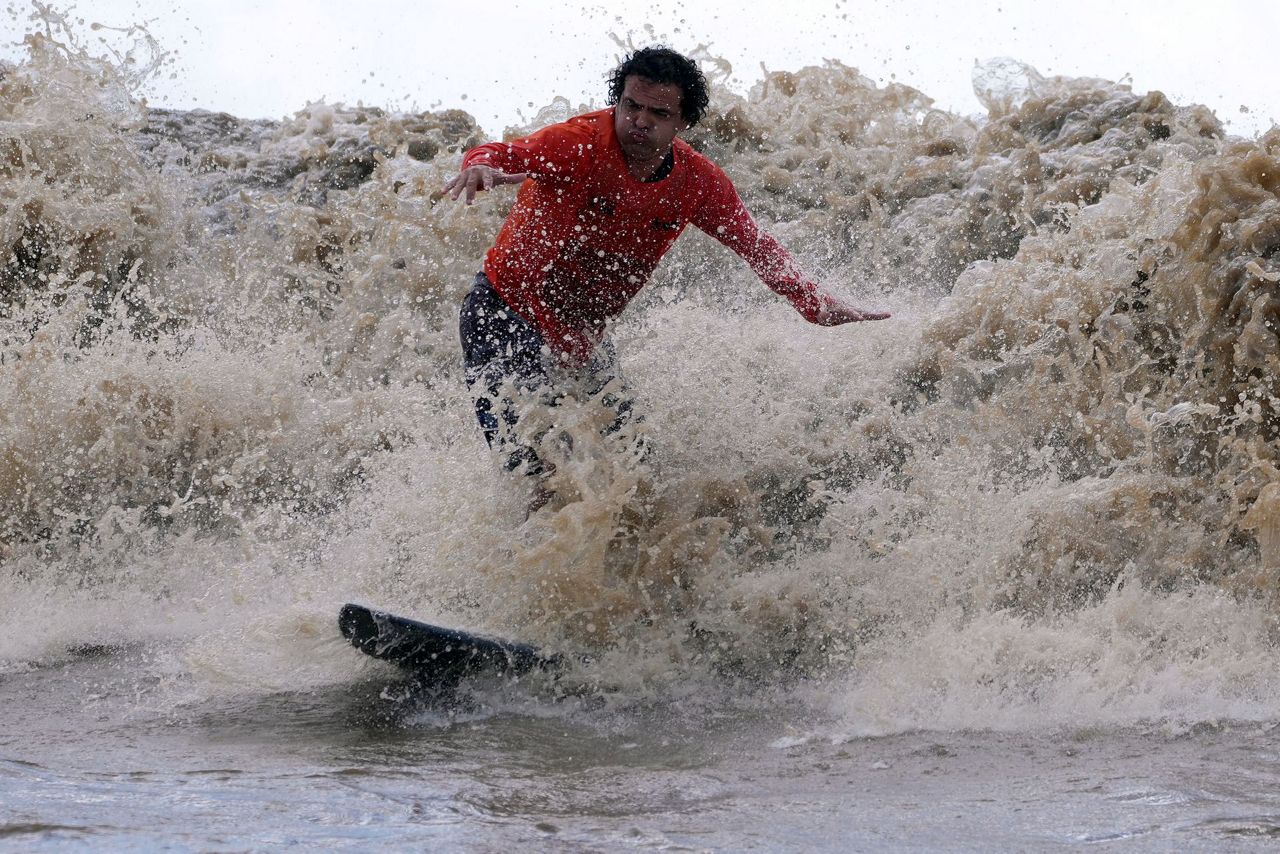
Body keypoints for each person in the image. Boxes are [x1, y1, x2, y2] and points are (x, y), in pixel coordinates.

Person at [444, 47, 889, 513]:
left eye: (658, 113)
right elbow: (504, 152)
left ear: (682, 123)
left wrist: (812, 303)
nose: (639, 121)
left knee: (631, 471)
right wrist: (477, 164)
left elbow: (754, 244)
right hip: (503, 314)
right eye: (631, 106)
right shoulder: (576, 143)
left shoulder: (697, 183)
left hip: (581, 336)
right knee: (540, 479)